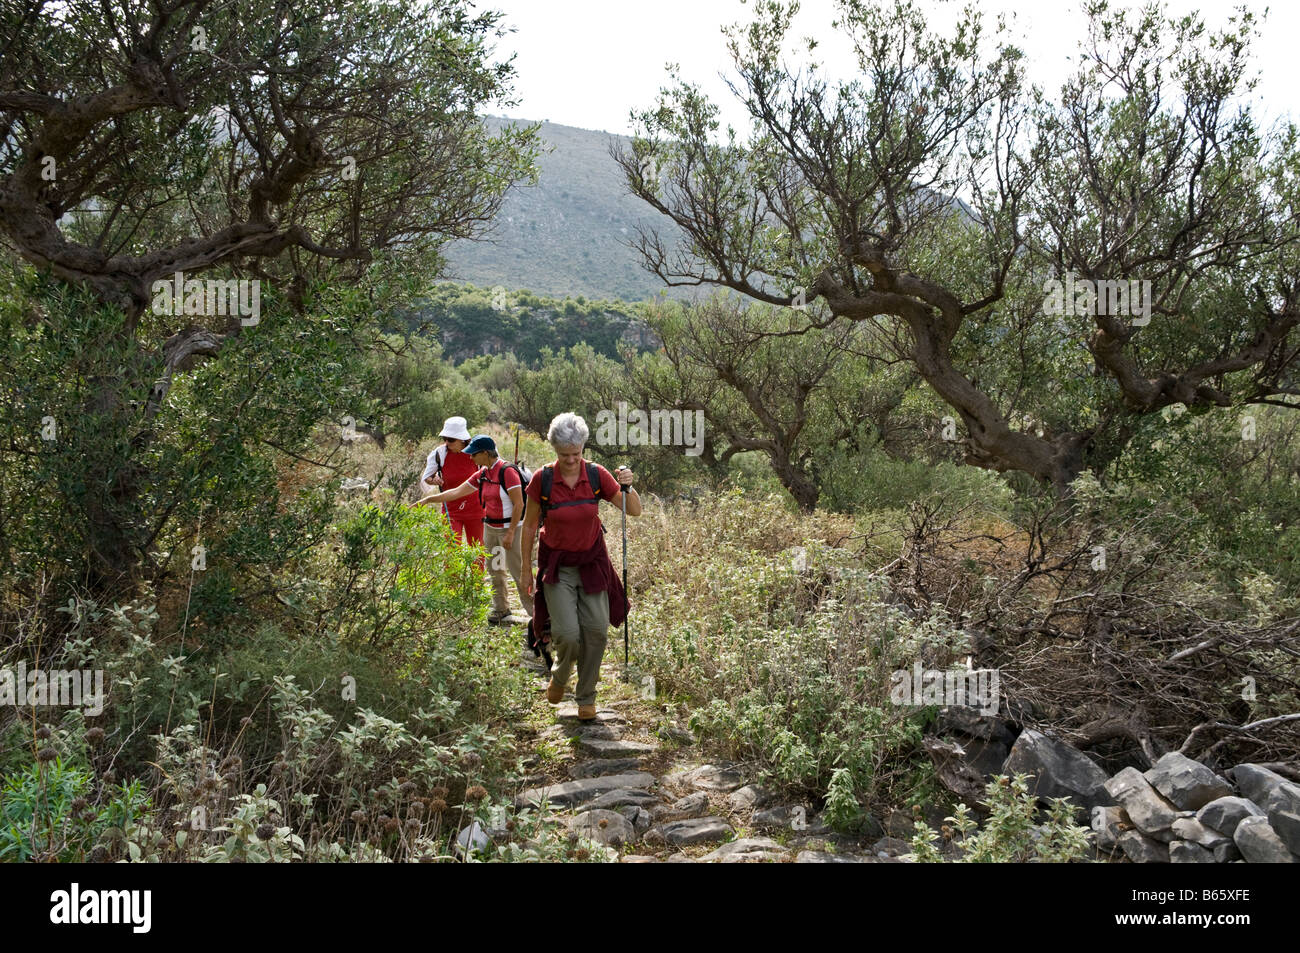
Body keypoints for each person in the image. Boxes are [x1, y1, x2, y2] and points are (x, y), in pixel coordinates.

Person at [521, 412, 640, 721]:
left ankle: (586, 697)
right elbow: (530, 526)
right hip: (557, 566)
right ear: (555, 451)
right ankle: (560, 677)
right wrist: (524, 569)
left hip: (591, 562)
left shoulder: (597, 474)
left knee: (597, 631)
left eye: (576, 453)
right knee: (568, 634)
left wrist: (628, 486)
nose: (571, 460)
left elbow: (634, 510)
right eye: (564, 455)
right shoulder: (543, 479)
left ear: (583, 448)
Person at [416, 434, 532, 625]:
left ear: (485, 453)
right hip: (491, 528)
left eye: (473, 455)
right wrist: (428, 499)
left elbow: (519, 504)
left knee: (519, 572)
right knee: (495, 569)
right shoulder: (483, 473)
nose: (470, 458)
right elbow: (456, 492)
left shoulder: (507, 472)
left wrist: (511, 532)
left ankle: (537, 617)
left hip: (510, 529)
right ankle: (501, 610)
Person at [419, 416, 484, 552]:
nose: (447, 443)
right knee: (451, 552)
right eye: (445, 439)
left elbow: (494, 467)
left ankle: (477, 575)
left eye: (451, 439)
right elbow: (427, 477)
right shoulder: (439, 453)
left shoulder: (478, 450)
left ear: (462, 439)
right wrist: (433, 479)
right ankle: (452, 575)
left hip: (476, 509)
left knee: (477, 551)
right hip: (450, 510)